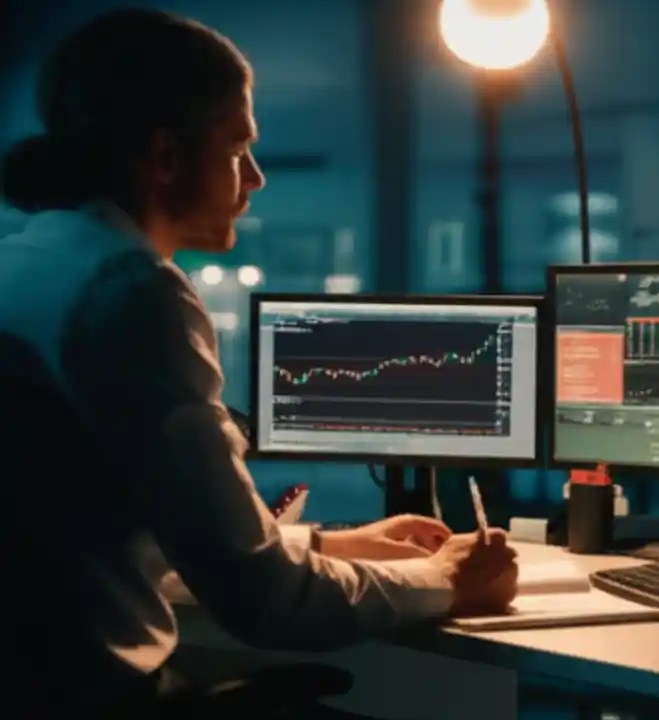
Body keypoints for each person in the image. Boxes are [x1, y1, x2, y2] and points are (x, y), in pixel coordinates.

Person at [0, 8, 518, 715]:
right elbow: (266, 601)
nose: (258, 177)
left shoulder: (25, 262)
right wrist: (447, 579)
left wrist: (332, 542)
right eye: (239, 148)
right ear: (165, 158)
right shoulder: (129, 293)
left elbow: (125, 534)